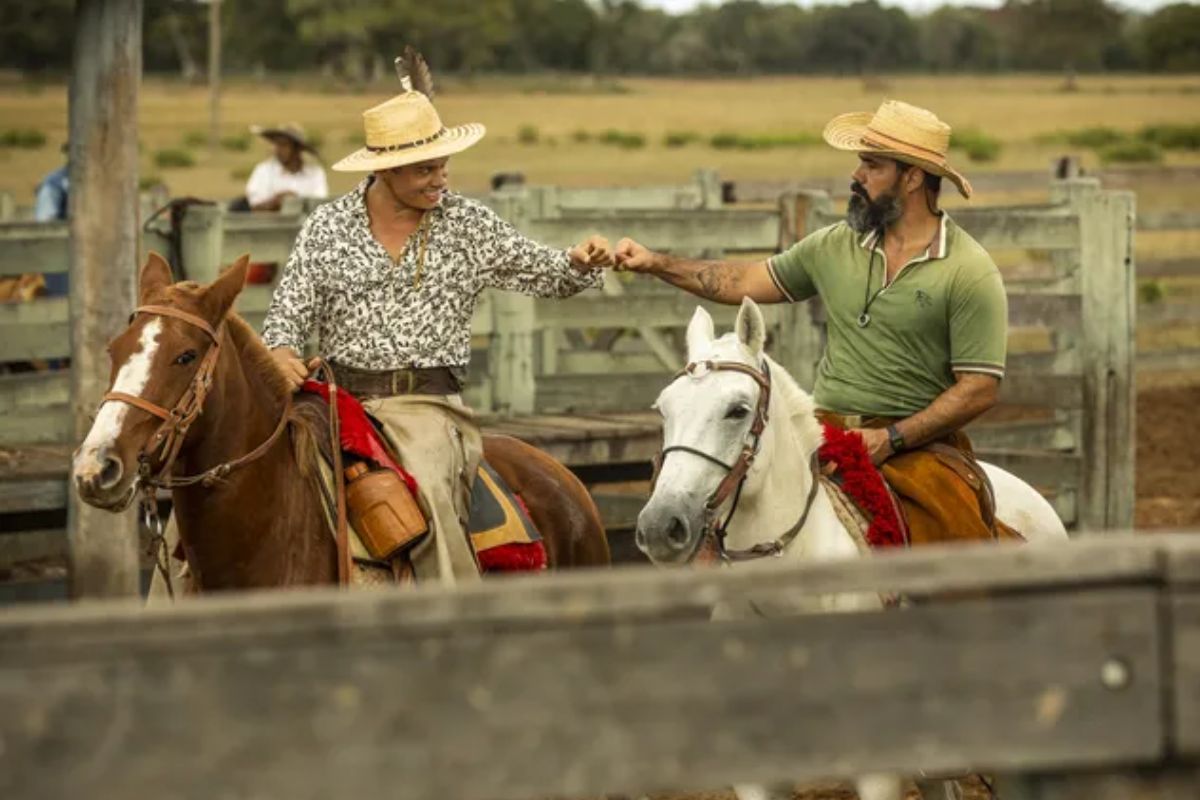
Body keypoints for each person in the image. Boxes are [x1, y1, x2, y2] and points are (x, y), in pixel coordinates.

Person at [612, 100, 1017, 545]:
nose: (857, 176)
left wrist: (891, 438)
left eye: (872, 165)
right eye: (861, 163)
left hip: (918, 448)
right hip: (821, 430)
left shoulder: (968, 269)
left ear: (914, 177)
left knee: (955, 550)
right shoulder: (834, 245)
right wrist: (654, 262)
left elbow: (979, 387)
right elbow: (742, 281)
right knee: (719, 509)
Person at [261, 86, 612, 585]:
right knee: (234, 474)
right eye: (426, 169)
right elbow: (287, 313)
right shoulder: (327, 227)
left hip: (425, 407)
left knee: (426, 490)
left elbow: (544, 272)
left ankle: (449, 617)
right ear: (384, 170)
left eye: (442, 165)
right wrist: (279, 351)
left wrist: (579, 261)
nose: (440, 179)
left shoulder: (466, 223)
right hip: (334, 402)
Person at [242, 122, 328, 211]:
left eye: (284, 145)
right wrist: (276, 201)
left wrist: (295, 201)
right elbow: (254, 206)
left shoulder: (315, 173)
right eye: (276, 144)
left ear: (297, 148)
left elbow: (319, 205)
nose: (278, 150)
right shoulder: (263, 171)